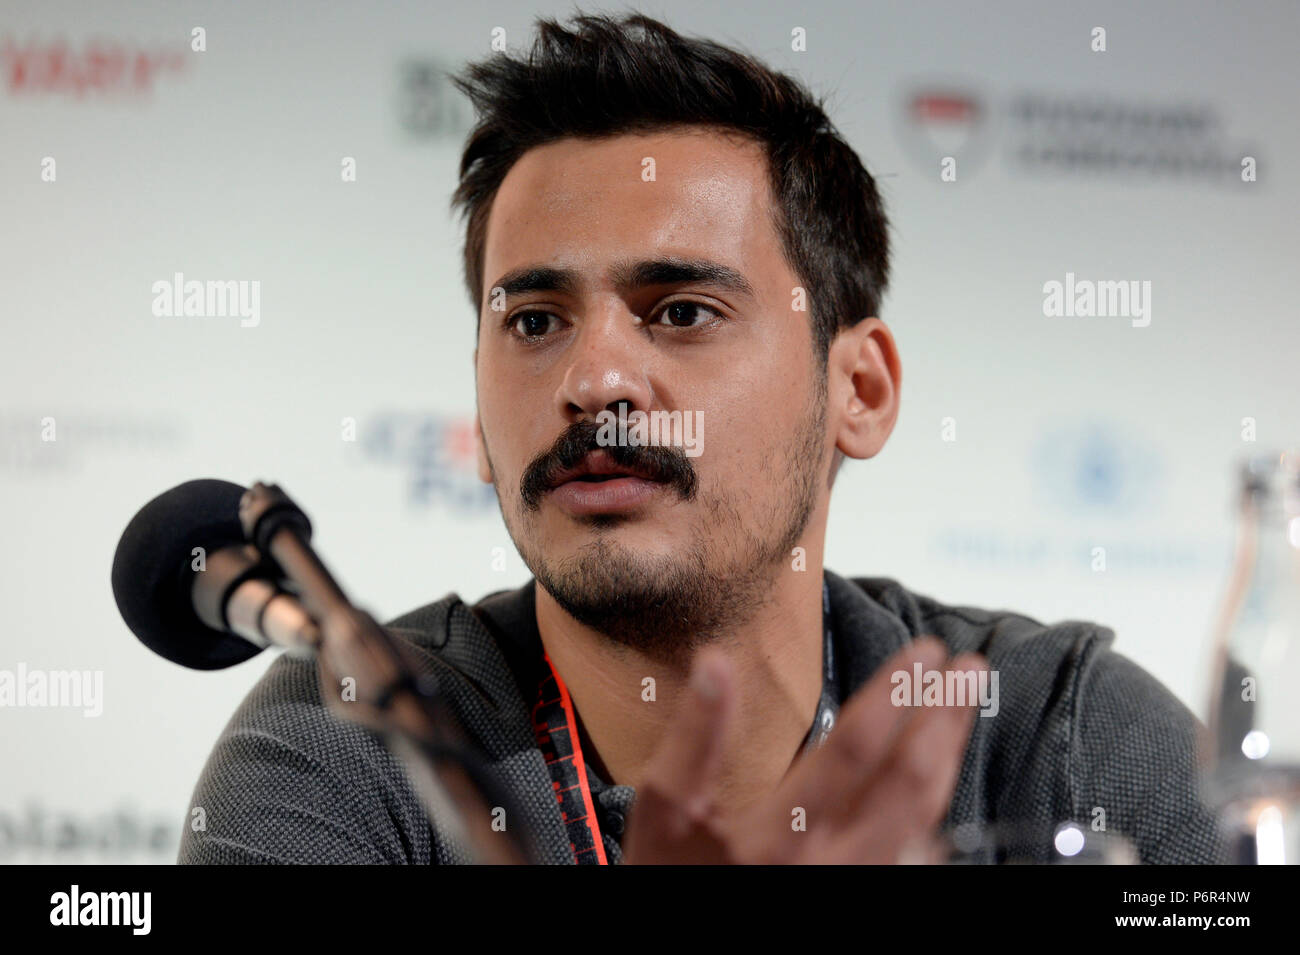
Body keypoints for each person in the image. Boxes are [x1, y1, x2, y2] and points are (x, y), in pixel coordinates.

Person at [179, 11, 1223, 865]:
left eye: (680, 310)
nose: (593, 382)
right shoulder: (349, 739)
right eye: (535, 322)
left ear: (857, 388)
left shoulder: (1055, 738)